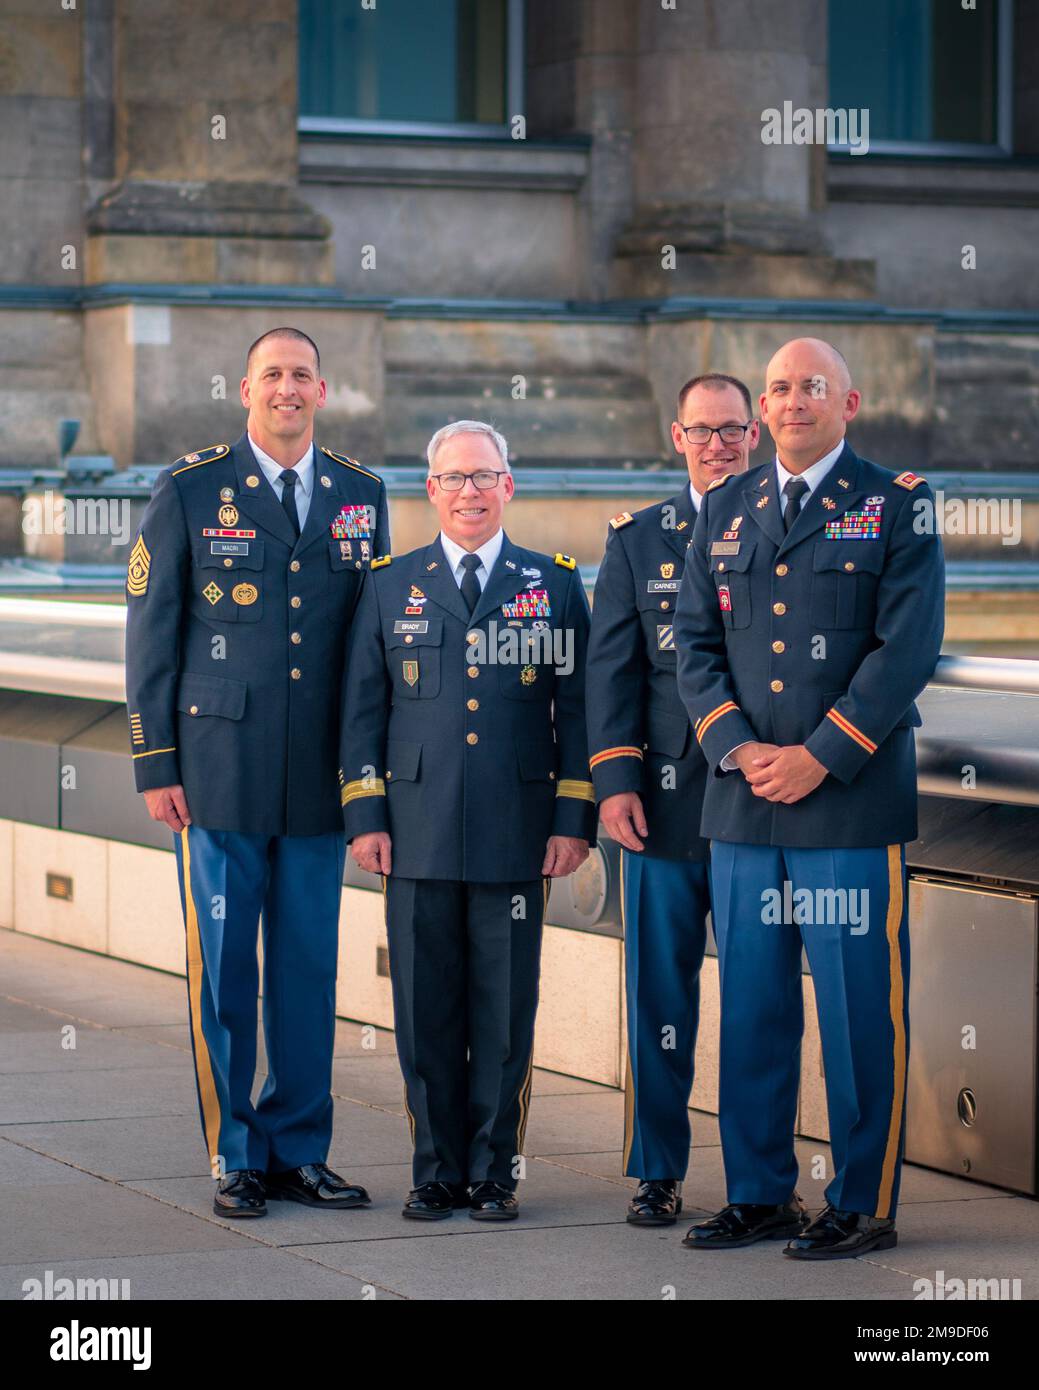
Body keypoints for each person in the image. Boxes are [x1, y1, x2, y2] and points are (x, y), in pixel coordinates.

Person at [674, 337, 944, 1259]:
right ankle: (757, 1192)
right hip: (746, 805)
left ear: (849, 402)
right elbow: (692, 647)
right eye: (779, 388)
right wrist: (738, 747)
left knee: (855, 1009)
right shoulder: (725, 504)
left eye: (810, 387)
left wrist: (821, 757)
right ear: (762, 410)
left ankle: (861, 1203)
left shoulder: (896, 503)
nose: (792, 402)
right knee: (750, 1004)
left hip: (845, 803)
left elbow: (904, 649)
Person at [124, 327, 389, 1218]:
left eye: (301, 375)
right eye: (271, 375)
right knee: (228, 969)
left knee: (310, 971)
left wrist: (369, 775)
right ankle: (233, 1152)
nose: (286, 389)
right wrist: (154, 760)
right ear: (244, 389)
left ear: (323, 390)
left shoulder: (362, 495)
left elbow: (369, 648)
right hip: (217, 771)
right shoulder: (191, 488)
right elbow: (151, 634)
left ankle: (298, 1150)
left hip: (319, 779)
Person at [339, 420, 595, 1223]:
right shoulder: (388, 583)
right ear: (431, 491)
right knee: (424, 1011)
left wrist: (571, 818)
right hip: (412, 829)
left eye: (484, 477)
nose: (469, 493)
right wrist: (365, 815)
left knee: (504, 1009)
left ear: (508, 487)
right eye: (453, 479)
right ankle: (434, 1170)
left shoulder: (550, 582)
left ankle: (493, 1172)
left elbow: (579, 712)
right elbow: (361, 714)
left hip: (516, 829)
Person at [587, 373, 759, 1226]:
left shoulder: (782, 521)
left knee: (757, 998)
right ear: (676, 435)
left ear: (754, 436)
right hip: (658, 803)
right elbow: (610, 671)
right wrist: (613, 782)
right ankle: (656, 1170)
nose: (718, 444)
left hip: (759, 802)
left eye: (733, 430)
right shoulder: (637, 538)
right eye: (704, 431)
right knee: (659, 995)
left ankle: (755, 1182)